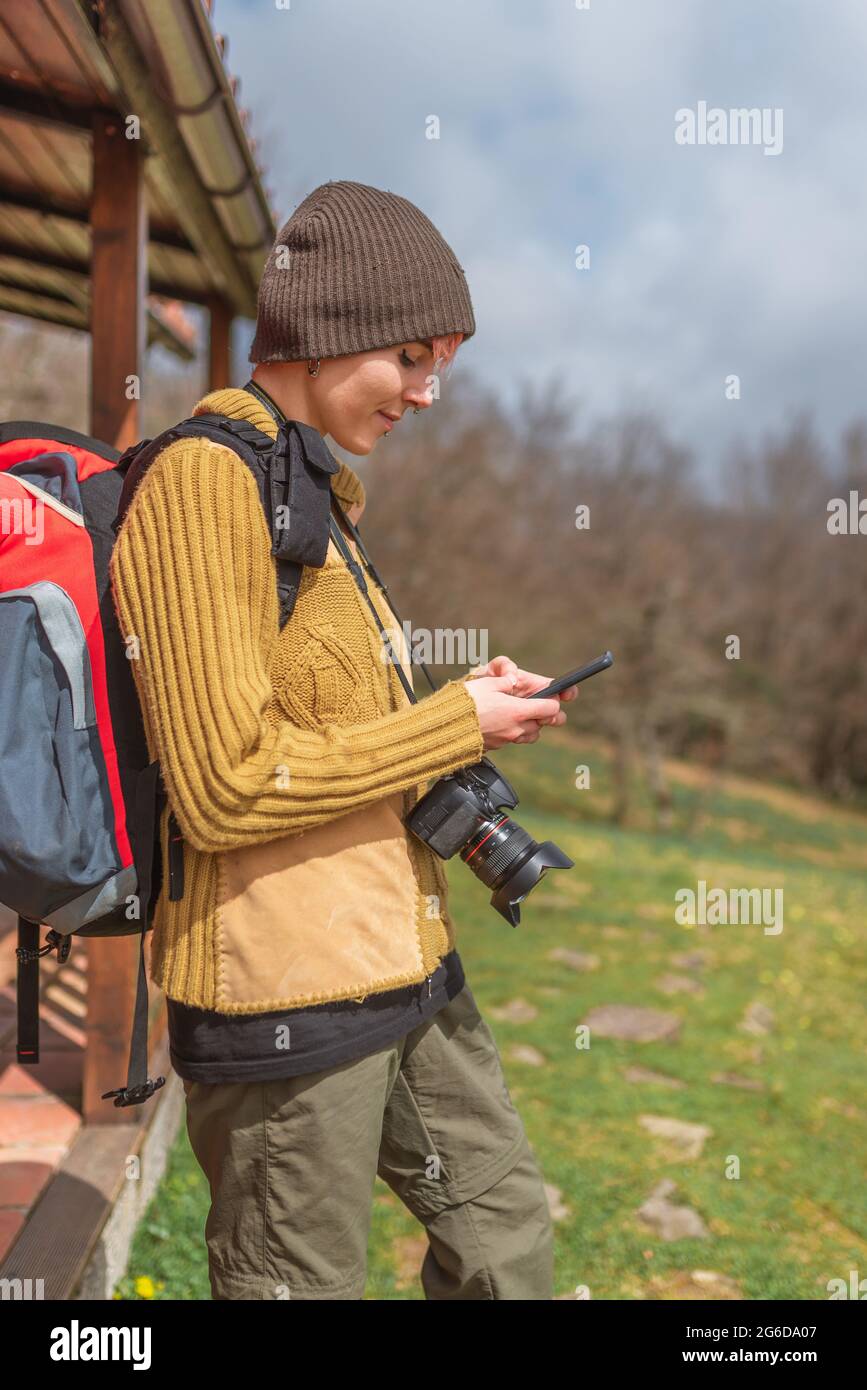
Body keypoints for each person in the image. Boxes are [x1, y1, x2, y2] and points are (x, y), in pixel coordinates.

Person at [109, 179, 577, 1301]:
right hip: (282, 994)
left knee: (507, 1248)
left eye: (440, 367)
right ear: (325, 333)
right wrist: (448, 724)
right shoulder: (201, 483)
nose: (424, 392)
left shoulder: (316, 495)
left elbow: (340, 734)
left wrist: (450, 705)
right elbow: (225, 784)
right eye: (409, 357)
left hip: (408, 964)